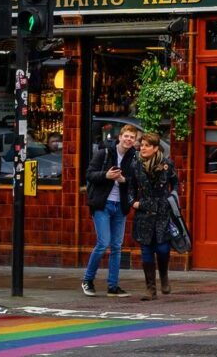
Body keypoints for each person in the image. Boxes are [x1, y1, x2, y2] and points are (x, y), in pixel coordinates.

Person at [83, 122, 139, 297]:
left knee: (116, 246)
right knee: (103, 243)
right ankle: (87, 280)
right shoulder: (105, 152)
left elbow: (136, 182)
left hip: (120, 205)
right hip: (103, 203)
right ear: (120, 137)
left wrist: (124, 180)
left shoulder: (134, 157)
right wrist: (106, 175)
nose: (128, 140)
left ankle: (113, 286)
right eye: (126, 136)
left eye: (132, 137)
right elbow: (89, 174)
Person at [131, 132, 179, 301]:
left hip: (162, 212)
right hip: (144, 212)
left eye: (147, 145)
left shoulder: (166, 164)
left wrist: (172, 197)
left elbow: (176, 183)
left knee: (163, 248)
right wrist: (133, 203)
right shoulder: (136, 165)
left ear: (155, 148)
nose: (143, 148)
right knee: (146, 250)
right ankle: (150, 289)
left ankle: (164, 277)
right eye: (142, 145)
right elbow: (130, 188)